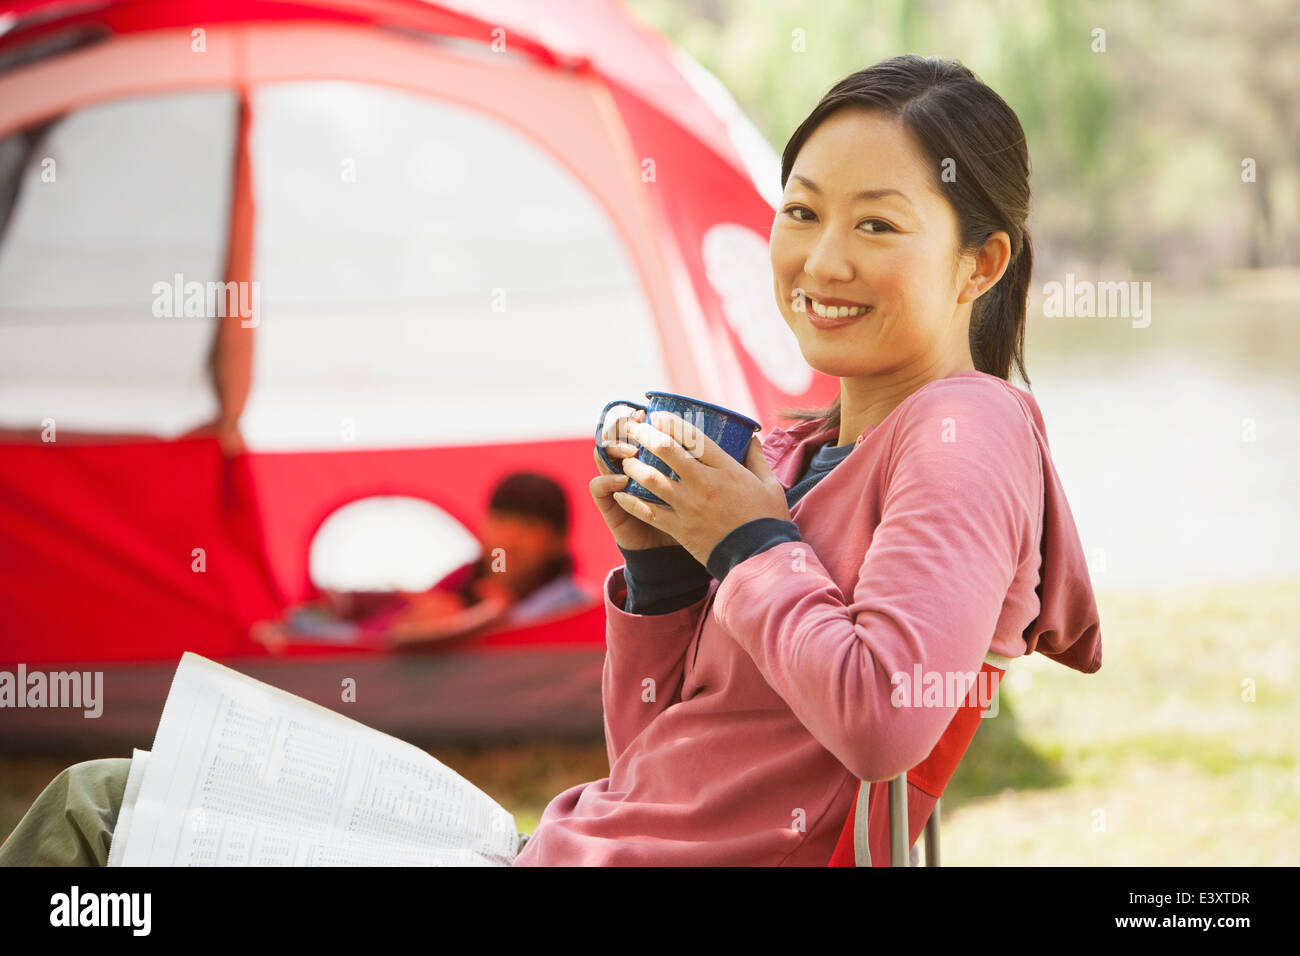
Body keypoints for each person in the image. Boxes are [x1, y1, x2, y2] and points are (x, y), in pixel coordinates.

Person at [0, 55, 1101, 868]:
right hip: (570, 845)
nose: (820, 259)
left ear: (979, 262)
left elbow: (883, 718)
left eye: (876, 225)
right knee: (124, 798)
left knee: (100, 822)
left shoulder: (966, 429)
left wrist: (747, 539)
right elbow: (656, 765)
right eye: (801, 212)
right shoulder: (802, 449)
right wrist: (665, 575)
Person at [251, 471, 593, 651]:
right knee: (298, 623)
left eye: (529, 526)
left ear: (556, 541)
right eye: (500, 520)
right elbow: (409, 606)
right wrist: (349, 601)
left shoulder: (564, 602)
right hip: (369, 635)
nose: (510, 536)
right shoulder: (467, 575)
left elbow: (419, 635)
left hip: (391, 647)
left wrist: (486, 613)